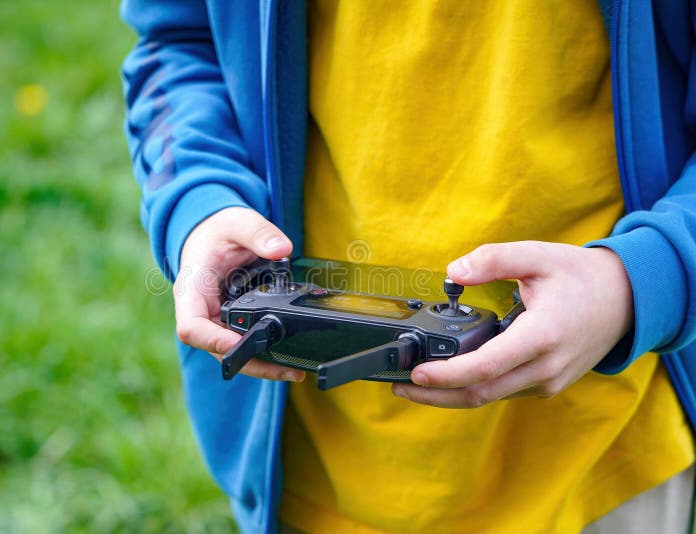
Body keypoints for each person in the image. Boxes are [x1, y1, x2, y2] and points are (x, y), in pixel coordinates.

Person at [121, 1, 696, 532]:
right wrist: (200, 200)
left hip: (604, 461)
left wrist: (640, 279)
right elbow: (180, 40)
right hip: (301, 456)